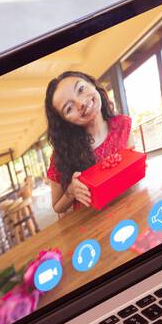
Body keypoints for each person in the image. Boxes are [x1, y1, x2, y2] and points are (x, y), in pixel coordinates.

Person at [44, 71, 133, 216]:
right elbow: (57, 207)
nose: (81, 103)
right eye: (69, 108)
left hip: (127, 207)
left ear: (92, 84)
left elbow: (132, 169)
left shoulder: (123, 125)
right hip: (93, 224)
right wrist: (70, 192)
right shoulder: (61, 155)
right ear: (65, 121)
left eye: (80, 89)